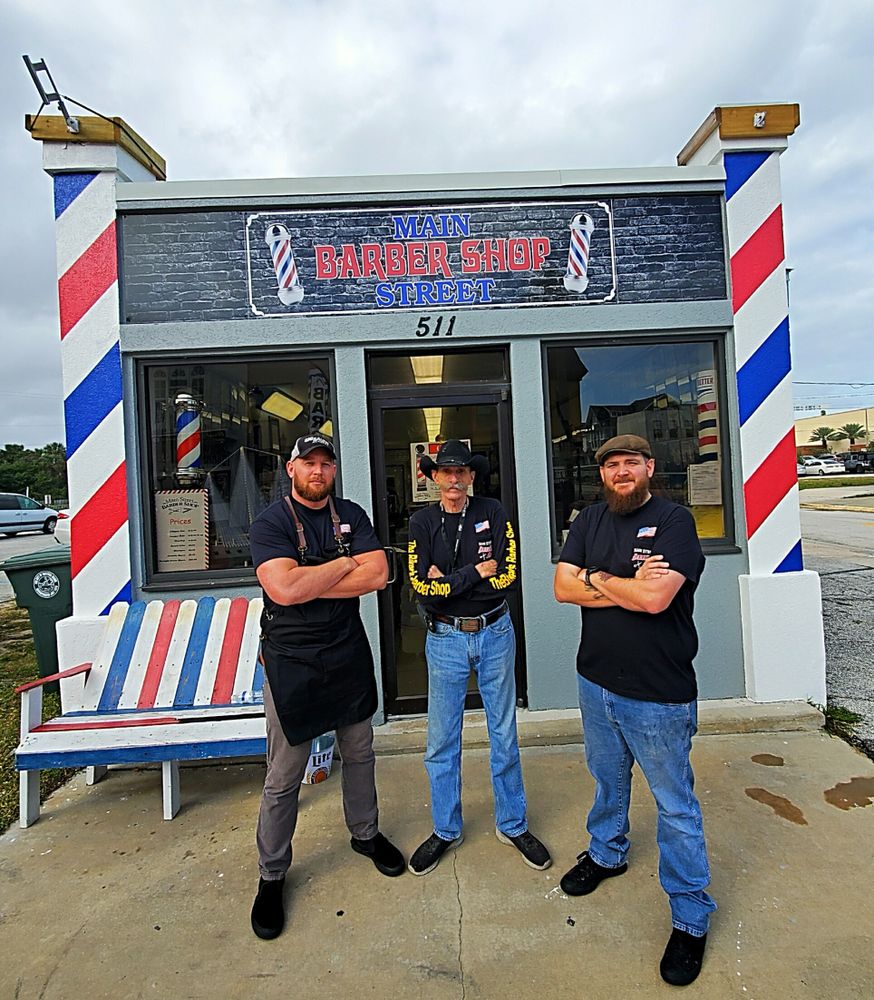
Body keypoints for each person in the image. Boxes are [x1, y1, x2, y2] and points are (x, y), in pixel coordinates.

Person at [553, 433, 715, 987]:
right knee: (606, 779)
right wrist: (616, 582)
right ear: (602, 475)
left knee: (674, 805)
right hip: (595, 680)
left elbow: (654, 600)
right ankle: (607, 853)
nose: (621, 472)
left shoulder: (675, 522)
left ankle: (691, 916)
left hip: (658, 691)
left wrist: (594, 577)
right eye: (611, 465)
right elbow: (560, 587)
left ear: (649, 467)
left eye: (630, 463)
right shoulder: (589, 521)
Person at [248, 433, 404, 940]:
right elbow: (284, 590)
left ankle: (366, 834)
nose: (318, 471)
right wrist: (342, 563)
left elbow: (379, 574)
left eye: (326, 464)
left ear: (334, 471)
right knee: (285, 773)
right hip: (291, 660)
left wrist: (312, 575)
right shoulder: (271, 522)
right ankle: (272, 875)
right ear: (291, 469)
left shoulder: (352, 514)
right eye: (308, 463)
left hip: (345, 650)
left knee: (359, 751)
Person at [406, 439, 551, 875]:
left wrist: (449, 580)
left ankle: (513, 823)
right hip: (445, 639)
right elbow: (421, 588)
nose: (453, 479)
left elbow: (506, 576)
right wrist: (472, 574)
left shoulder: (493, 511)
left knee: (503, 732)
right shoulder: (421, 523)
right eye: (445, 472)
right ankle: (445, 829)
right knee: (442, 741)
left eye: (461, 472)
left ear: (471, 477)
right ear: (434, 478)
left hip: (495, 632)